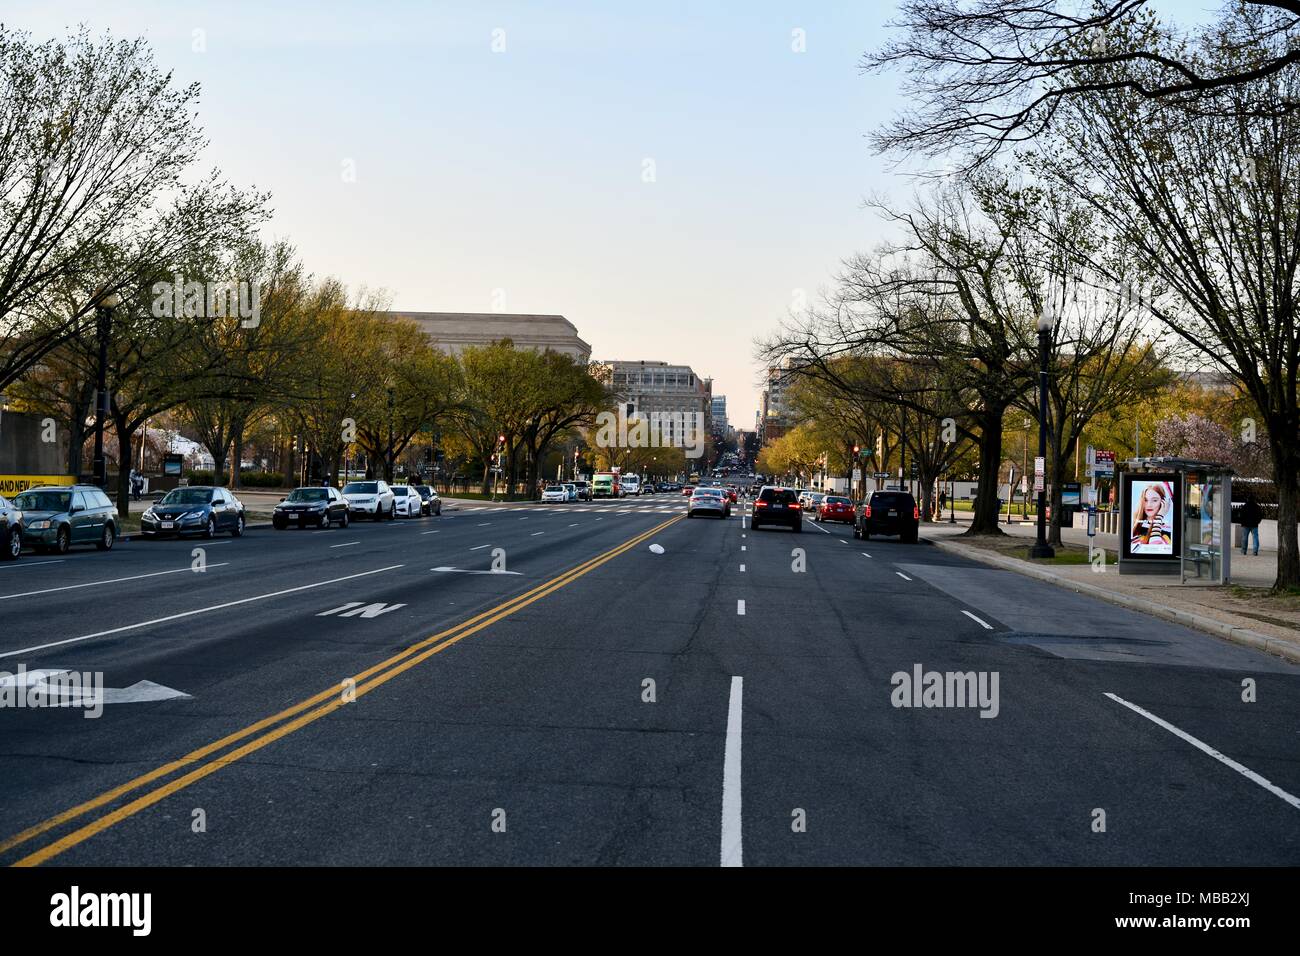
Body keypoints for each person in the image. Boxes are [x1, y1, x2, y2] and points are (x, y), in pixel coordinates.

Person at [1130, 481, 1173, 553]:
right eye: (1146, 500)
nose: (1149, 504)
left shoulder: (1168, 531)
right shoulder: (1134, 524)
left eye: (1154, 500)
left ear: (1163, 502)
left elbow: (1156, 547)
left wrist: (1159, 516)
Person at [1240, 491, 1263, 556]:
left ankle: (1244, 551)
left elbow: (1241, 515)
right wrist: (1258, 522)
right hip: (1254, 525)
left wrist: (1242, 522)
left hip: (1245, 525)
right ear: (1254, 499)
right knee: (1255, 538)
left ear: (1248, 499)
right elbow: (1260, 515)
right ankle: (1255, 551)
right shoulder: (1257, 507)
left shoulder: (1244, 506)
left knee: (1244, 538)